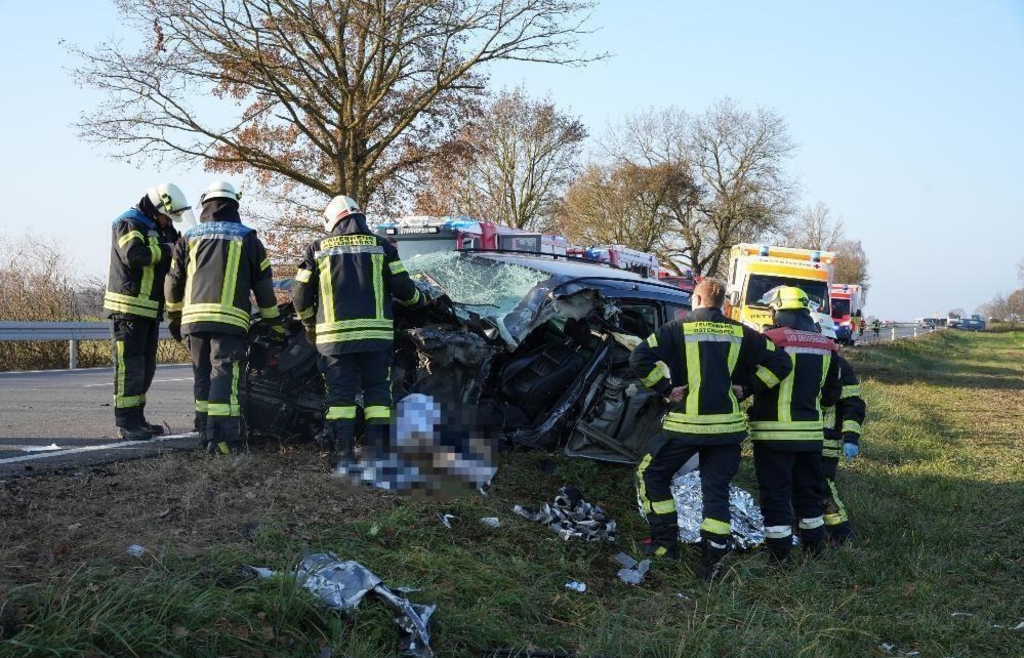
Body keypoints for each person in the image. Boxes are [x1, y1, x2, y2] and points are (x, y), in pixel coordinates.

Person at [629, 279, 792, 580]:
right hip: (726, 431)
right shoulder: (742, 332)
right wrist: (749, 388)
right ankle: (711, 561)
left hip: (685, 429)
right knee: (715, 490)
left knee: (651, 475)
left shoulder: (676, 329)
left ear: (697, 299)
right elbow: (781, 362)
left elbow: (639, 357)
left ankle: (666, 545)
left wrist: (665, 389)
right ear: (723, 304)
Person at [290, 196, 424, 467]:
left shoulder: (317, 249)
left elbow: (299, 296)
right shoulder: (381, 246)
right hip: (376, 339)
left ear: (331, 221)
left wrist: (309, 324)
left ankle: (342, 455)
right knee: (378, 396)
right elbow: (404, 289)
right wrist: (420, 301)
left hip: (335, 341)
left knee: (340, 398)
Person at [164, 181, 282, 455]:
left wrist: (175, 318)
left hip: (193, 321)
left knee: (202, 375)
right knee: (224, 377)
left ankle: (205, 434)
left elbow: (173, 282)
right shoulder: (248, 238)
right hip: (229, 322)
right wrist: (274, 324)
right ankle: (224, 442)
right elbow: (264, 288)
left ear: (205, 204)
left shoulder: (189, 237)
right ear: (234, 205)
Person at [748, 286, 842, 564]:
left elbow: (751, 380)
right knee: (809, 493)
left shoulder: (770, 340)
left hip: (772, 434)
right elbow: (831, 395)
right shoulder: (827, 345)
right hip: (811, 435)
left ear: (778, 310)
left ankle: (780, 558)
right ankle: (814, 550)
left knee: (775, 495)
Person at [104, 183, 192, 440]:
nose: (169, 221)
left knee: (146, 368)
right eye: (167, 216)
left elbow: (178, 251)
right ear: (156, 208)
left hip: (150, 310)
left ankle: (138, 418)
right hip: (127, 310)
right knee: (129, 368)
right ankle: (126, 422)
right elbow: (133, 255)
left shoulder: (161, 227)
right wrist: (167, 250)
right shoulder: (129, 223)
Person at [821, 351, 865, 545]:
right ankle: (806, 527)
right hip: (800, 437)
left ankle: (841, 533)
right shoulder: (795, 356)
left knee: (823, 489)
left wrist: (851, 437)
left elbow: (852, 404)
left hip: (827, 440)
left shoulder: (839, 366)